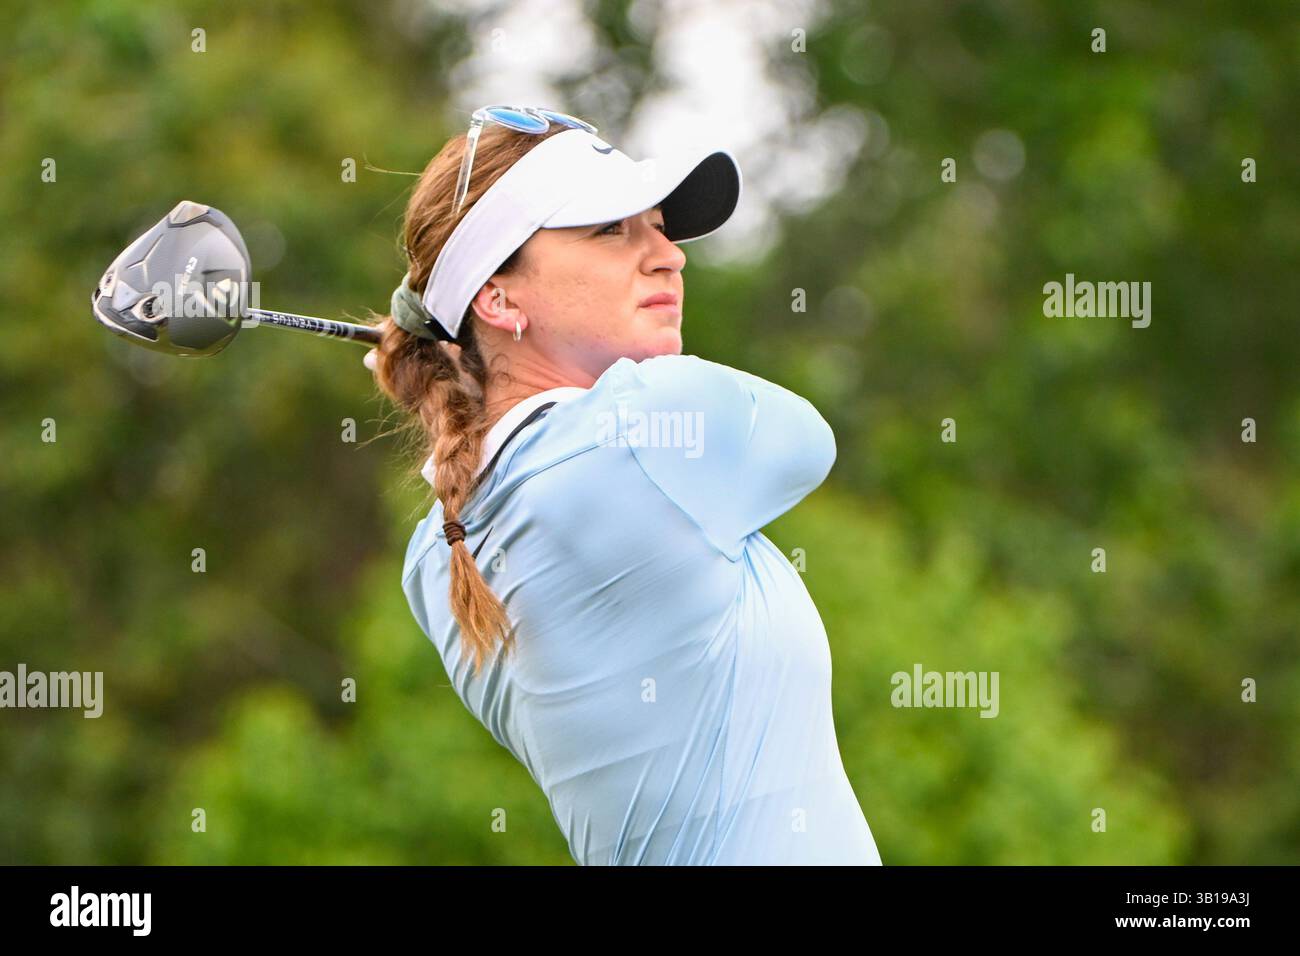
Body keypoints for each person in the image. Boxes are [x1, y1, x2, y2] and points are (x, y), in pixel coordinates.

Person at [365, 105, 883, 866]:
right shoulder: (653, 423)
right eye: (610, 230)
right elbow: (809, 441)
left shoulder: (435, 555)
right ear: (499, 296)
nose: (668, 255)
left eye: (658, 225)